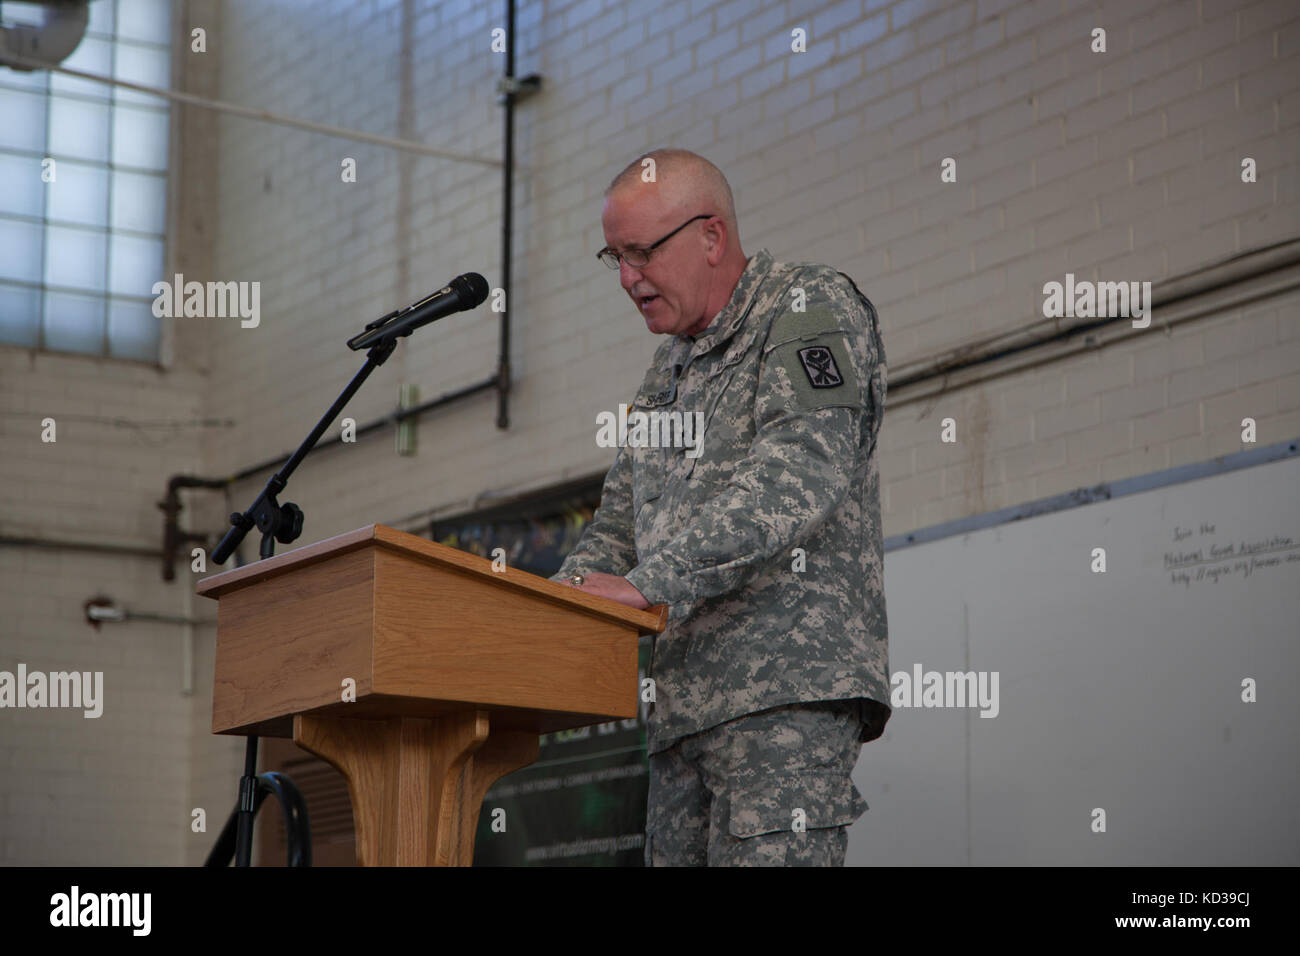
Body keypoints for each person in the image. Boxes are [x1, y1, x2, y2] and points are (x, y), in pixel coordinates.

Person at [552, 148, 890, 866]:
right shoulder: (666, 370)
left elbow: (800, 472)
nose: (627, 278)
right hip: (682, 717)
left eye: (641, 252)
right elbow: (617, 527)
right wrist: (548, 613)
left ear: (711, 235)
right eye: (612, 256)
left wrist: (651, 584)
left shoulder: (804, 310)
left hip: (780, 701)